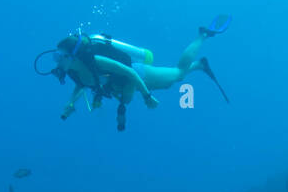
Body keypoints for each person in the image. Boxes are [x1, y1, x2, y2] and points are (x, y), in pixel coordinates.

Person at [39, 16, 231, 131]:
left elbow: (128, 72)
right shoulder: (73, 70)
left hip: (137, 72)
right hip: (121, 84)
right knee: (166, 84)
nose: (56, 61)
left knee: (178, 74)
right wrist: (71, 103)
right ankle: (199, 65)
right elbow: (82, 84)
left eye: (59, 56)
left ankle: (203, 35)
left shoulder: (96, 61)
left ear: (73, 56)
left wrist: (147, 96)